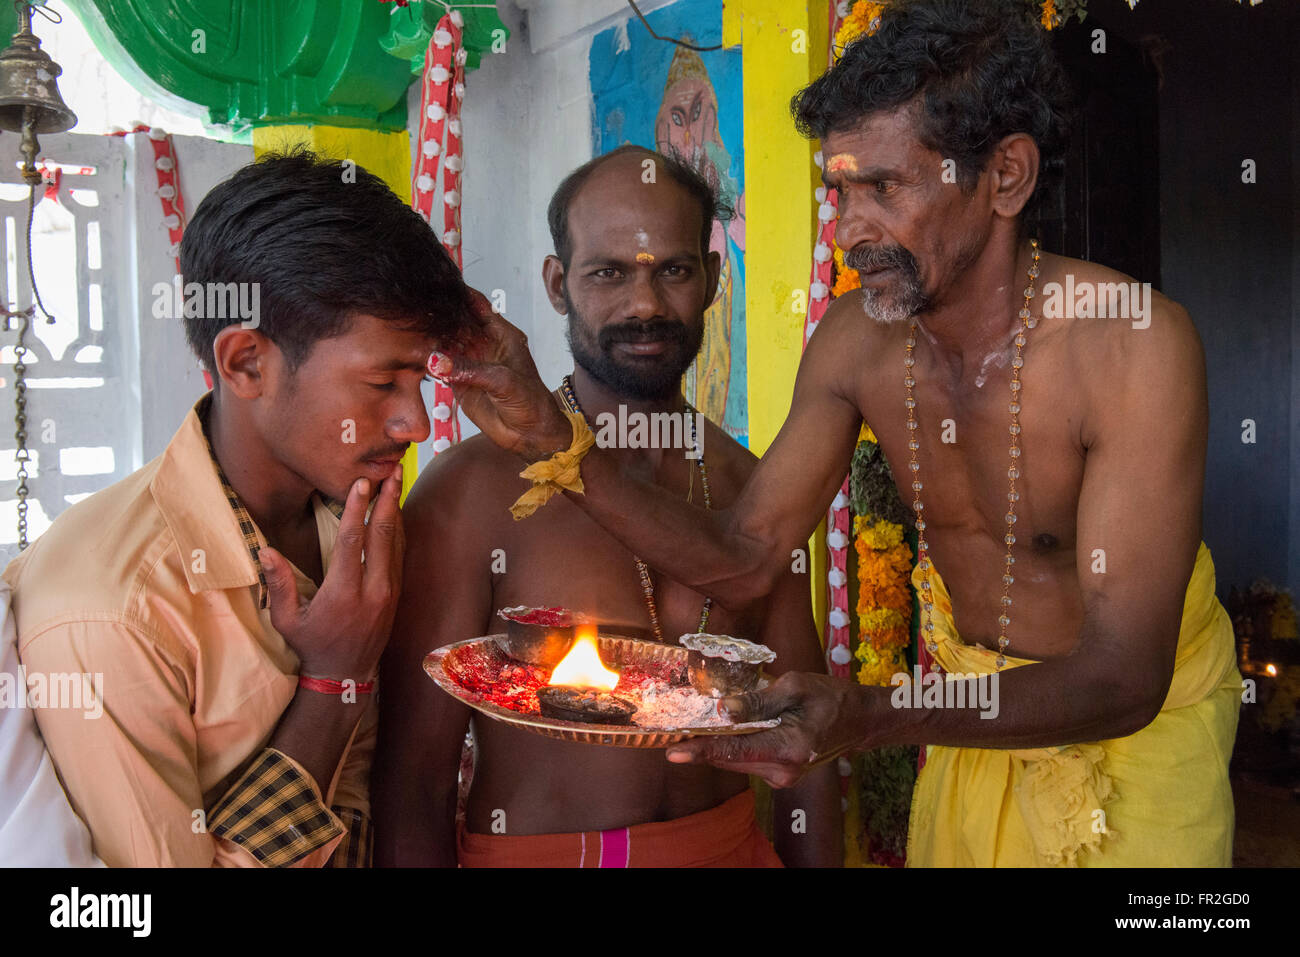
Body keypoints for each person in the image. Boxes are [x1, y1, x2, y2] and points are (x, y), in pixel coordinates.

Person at [435, 0, 1241, 867]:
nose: (849, 231)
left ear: (1005, 177)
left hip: (1142, 762)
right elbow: (746, 557)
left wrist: (868, 715)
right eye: (838, 192)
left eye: (884, 189)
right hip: (975, 743)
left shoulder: (1133, 346)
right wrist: (557, 441)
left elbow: (1125, 677)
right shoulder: (859, 340)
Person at [3, 148, 478, 866]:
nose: (416, 422)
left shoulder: (359, 514)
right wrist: (331, 683)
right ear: (246, 362)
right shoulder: (112, 607)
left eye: (420, 381)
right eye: (383, 383)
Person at [374, 146, 841, 868]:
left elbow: (802, 747)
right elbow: (414, 782)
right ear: (559, 285)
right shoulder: (467, 494)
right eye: (609, 273)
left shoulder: (755, 493)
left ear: (714, 280)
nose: (646, 305)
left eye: (674, 271)